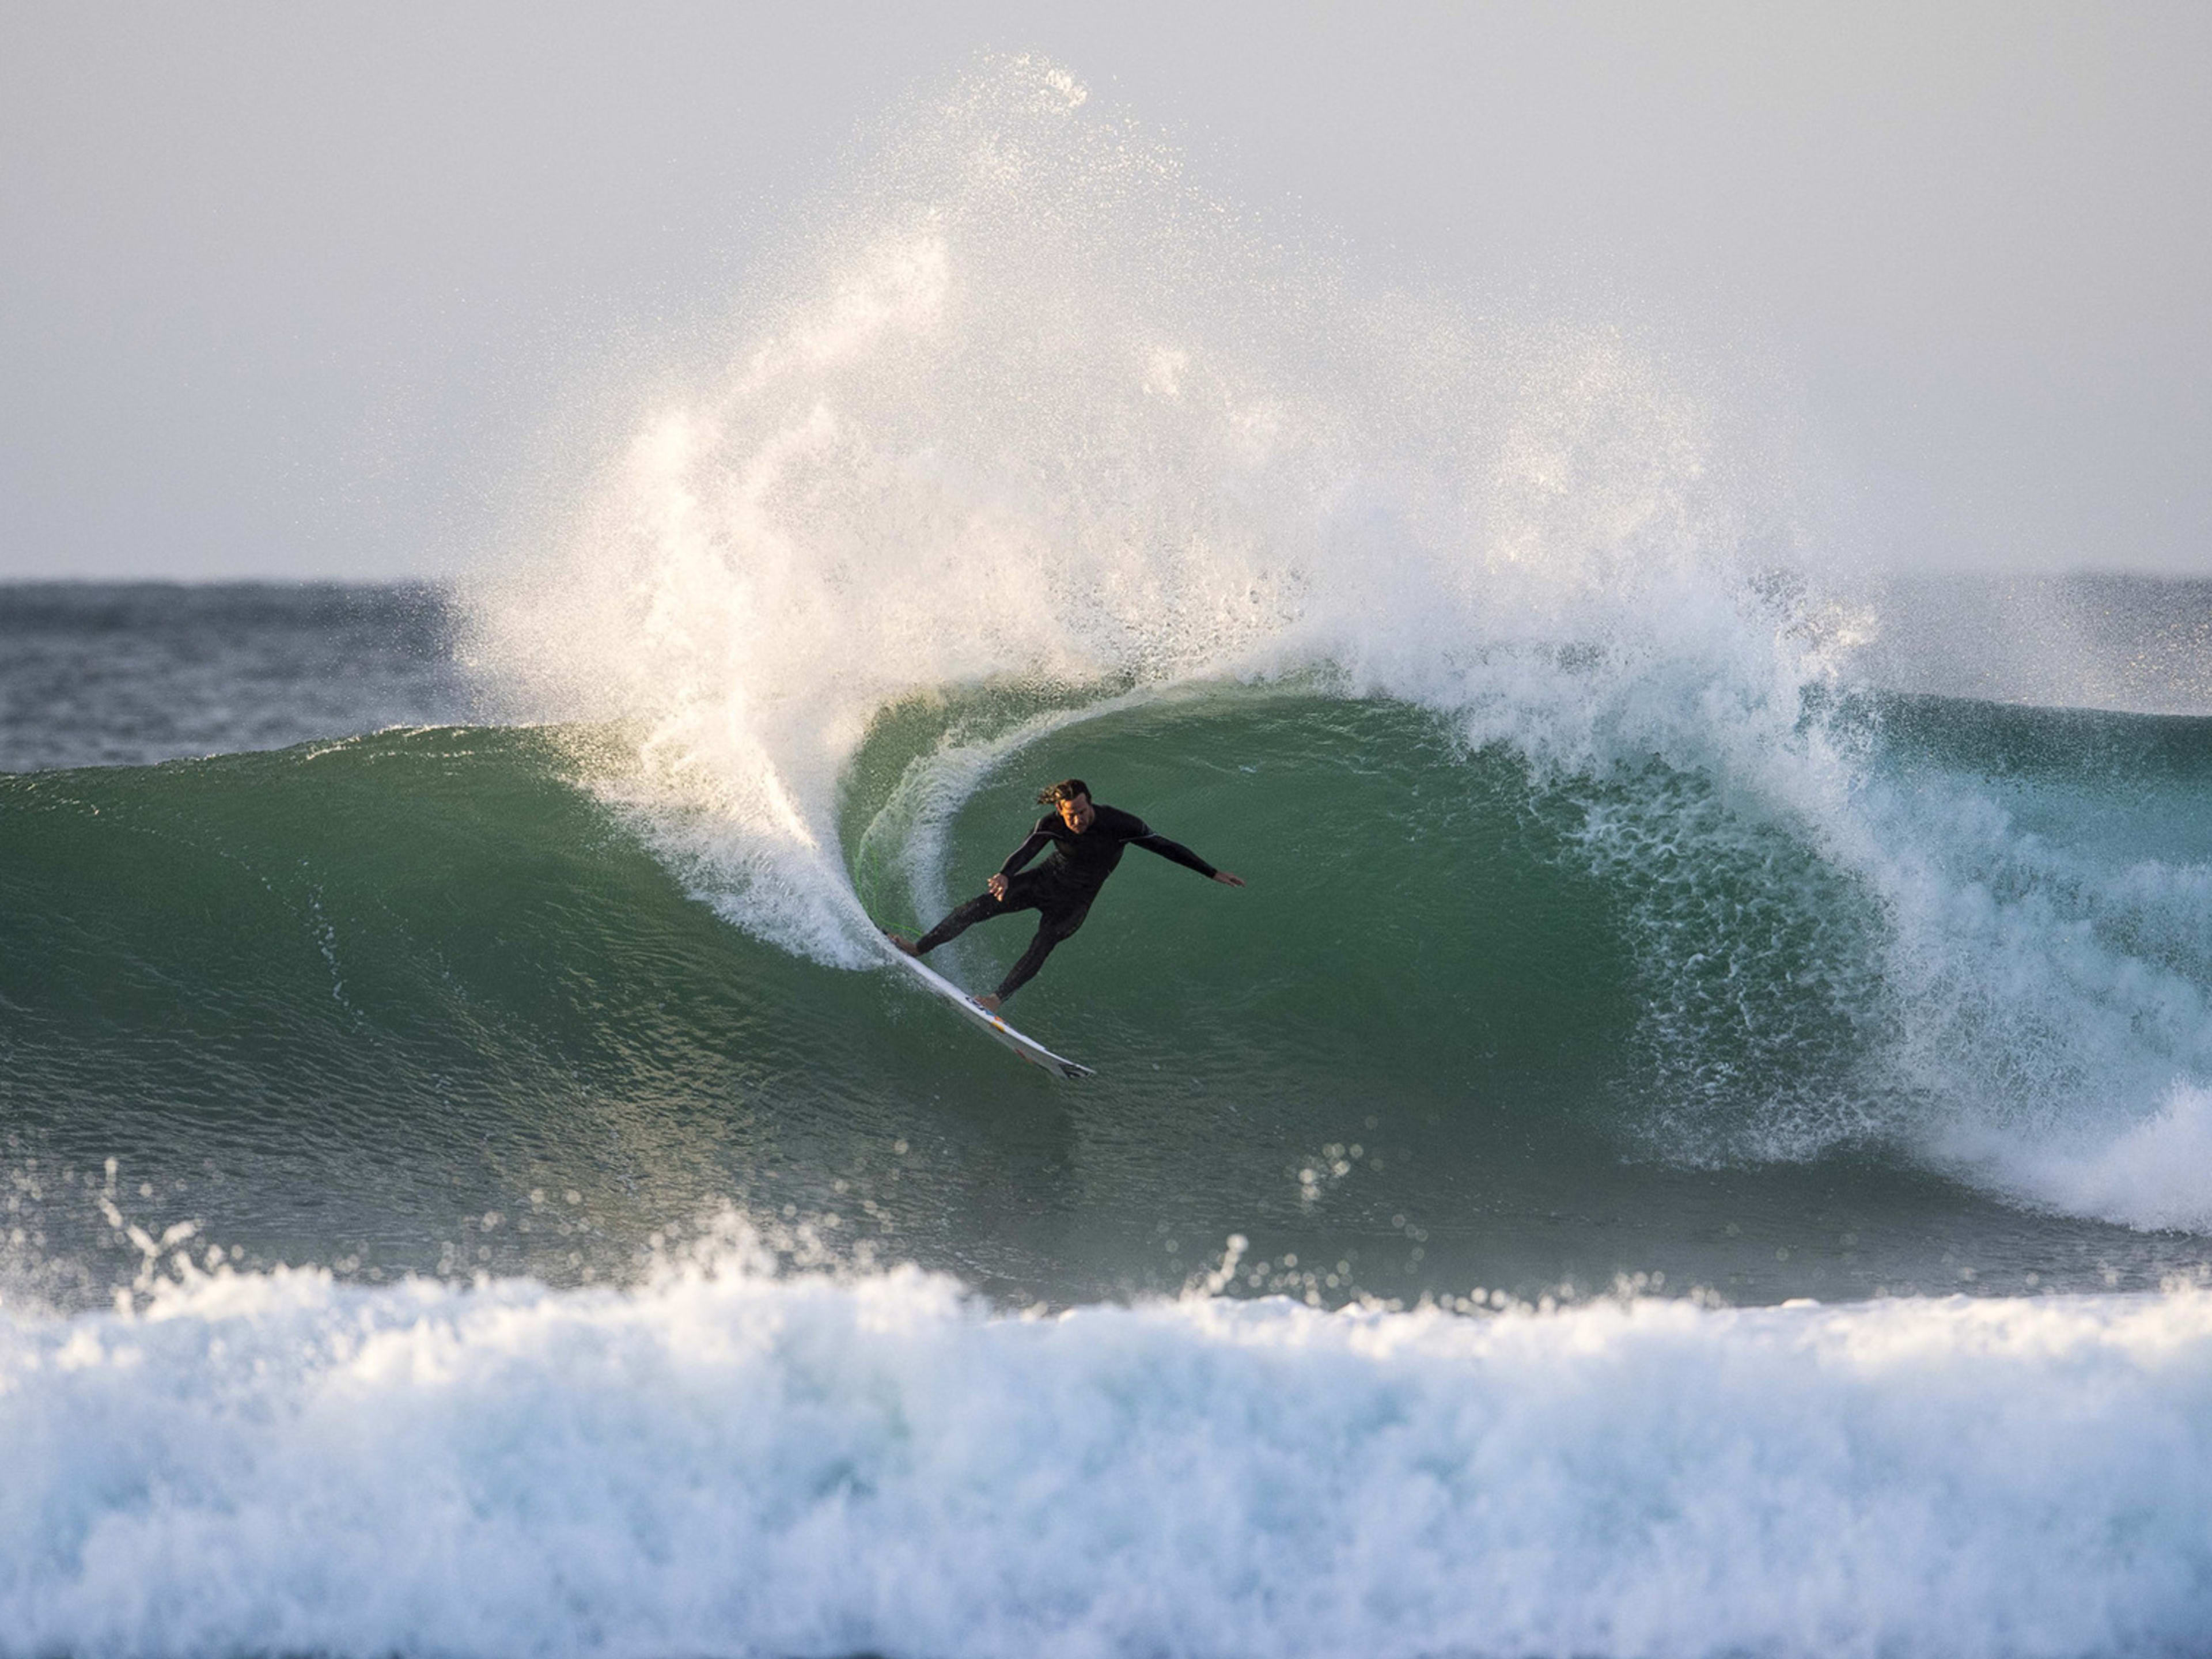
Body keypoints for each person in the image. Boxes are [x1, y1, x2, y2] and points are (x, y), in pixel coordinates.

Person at [888, 778, 1244, 1010]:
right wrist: (1005, 875)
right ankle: (918, 948)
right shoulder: (1051, 824)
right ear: (1060, 810)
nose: (1079, 820)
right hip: (1045, 881)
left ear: (1092, 803)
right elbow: (1025, 851)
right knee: (976, 908)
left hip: (1076, 901)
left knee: (1043, 944)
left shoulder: (1121, 825)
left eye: (1084, 812)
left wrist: (1212, 872)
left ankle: (996, 999)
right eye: (1072, 814)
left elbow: (1166, 847)